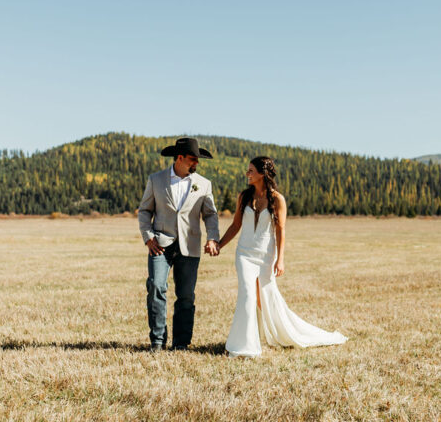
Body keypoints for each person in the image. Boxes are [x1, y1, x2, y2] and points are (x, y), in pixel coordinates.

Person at [218, 156, 347, 357]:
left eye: (251, 170)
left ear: (262, 174)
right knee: (247, 295)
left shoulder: (277, 199)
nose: (247, 173)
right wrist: (219, 244)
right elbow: (235, 225)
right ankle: (243, 346)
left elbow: (281, 231)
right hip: (244, 254)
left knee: (267, 298)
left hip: (265, 256)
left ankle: (286, 332)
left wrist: (280, 259)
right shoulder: (243, 196)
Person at [138, 137, 220, 352]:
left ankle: (181, 343)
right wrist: (148, 237)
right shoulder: (156, 180)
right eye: (193, 159)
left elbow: (210, 215)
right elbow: (145, 211)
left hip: (190, 245)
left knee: (186, 296)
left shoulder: (204, 184)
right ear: (180, 158)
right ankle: (157, 341)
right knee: (156, 286)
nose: (197, 163)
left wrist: (213, 237)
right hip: (160, 244)